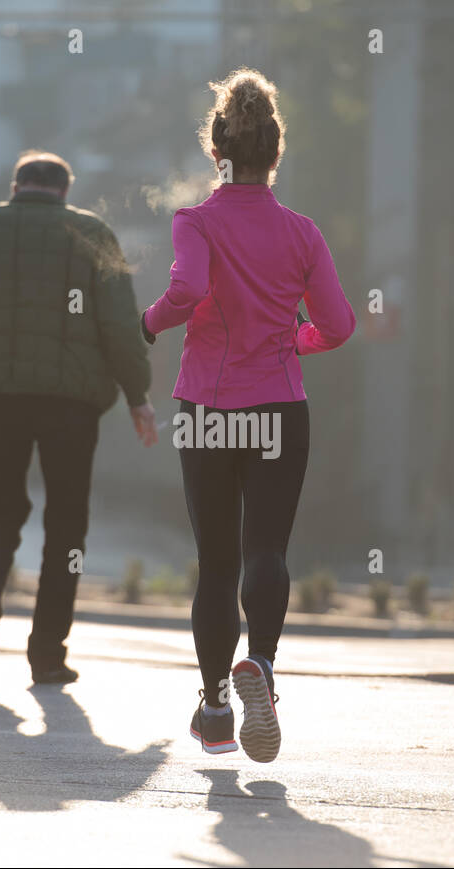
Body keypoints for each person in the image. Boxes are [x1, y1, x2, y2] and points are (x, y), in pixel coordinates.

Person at [142, 69, 356, 761]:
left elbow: (187, 290)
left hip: (207, 408)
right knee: (266, 550)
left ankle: (214, 707)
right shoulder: (301, 232)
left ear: (217, 153)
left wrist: (147, 324)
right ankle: (259, 663)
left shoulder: (195, 222)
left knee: (215, 561)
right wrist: (296, 338)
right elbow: (340, 323)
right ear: (275, 154)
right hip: (279, 410)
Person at [0, 151, 158, 684]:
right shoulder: (92, 233)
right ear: (64, 188)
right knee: (66, 523)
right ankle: (47, 651)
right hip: (71, 404)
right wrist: (137, 395)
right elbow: (121, 324)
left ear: (17, 185)